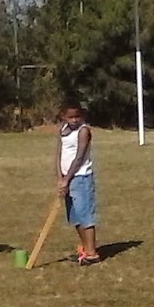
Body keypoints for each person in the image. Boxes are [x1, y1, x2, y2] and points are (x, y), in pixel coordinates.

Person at [55, 99, 98, 265]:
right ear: (63, 116)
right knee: (75, 216)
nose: (74, 120)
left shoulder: (83, 131)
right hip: (67, 179)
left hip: (81, 177)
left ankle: (92, 254)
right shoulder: (62, 130)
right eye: (70, 117)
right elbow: (58, 155)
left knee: (85, 214)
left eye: (77, 116)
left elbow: (79, 157)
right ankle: (86, 250)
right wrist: (60, 178)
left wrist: (67, 179)